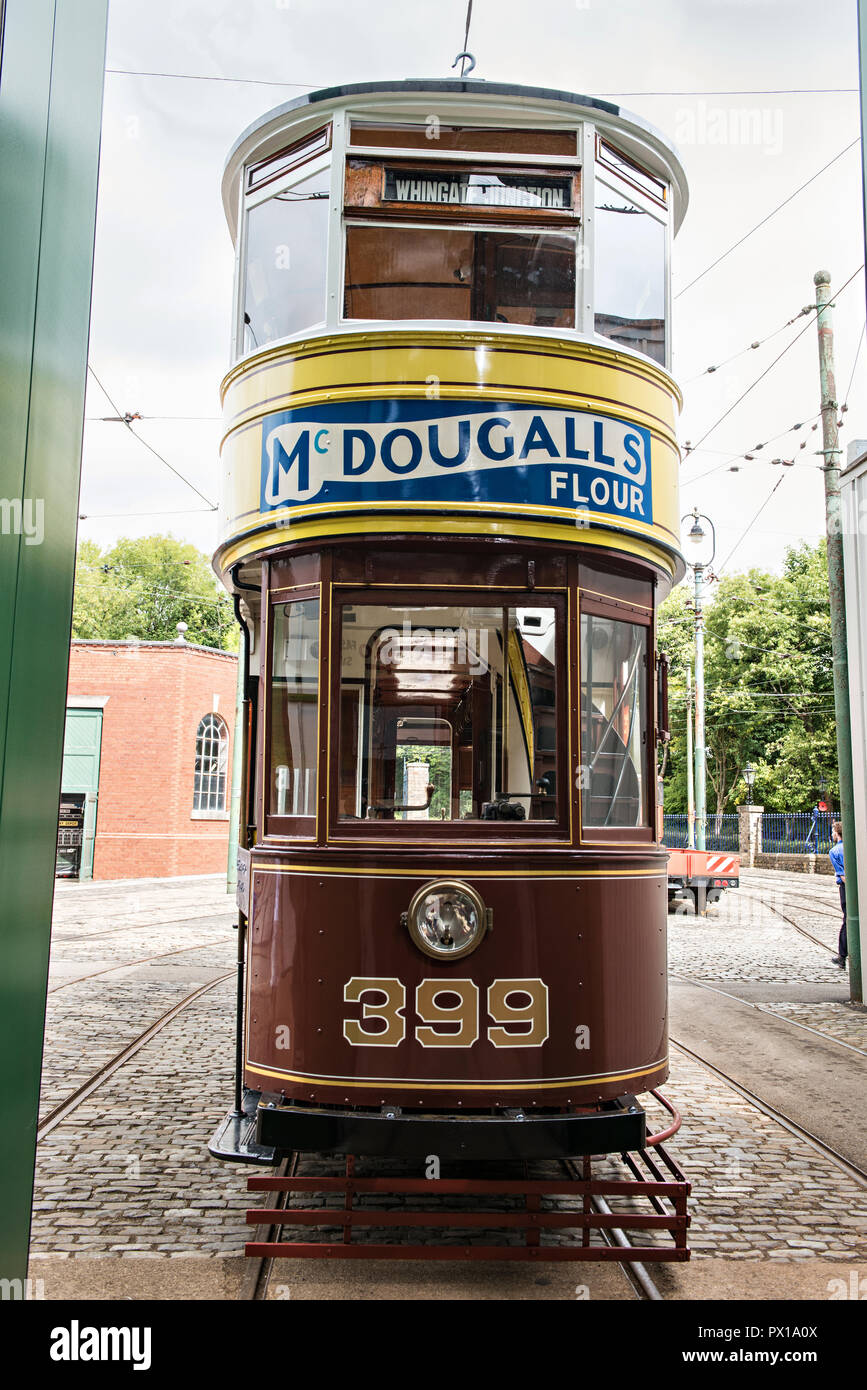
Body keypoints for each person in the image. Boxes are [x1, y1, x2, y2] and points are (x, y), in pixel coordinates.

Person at [829, 821, 847, 968]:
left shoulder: (835, 851)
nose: (832, 834)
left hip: (846, 888)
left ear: (837, 833)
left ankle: (842, 956)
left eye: (833, 831)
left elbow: (842, 876)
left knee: (848, 921)